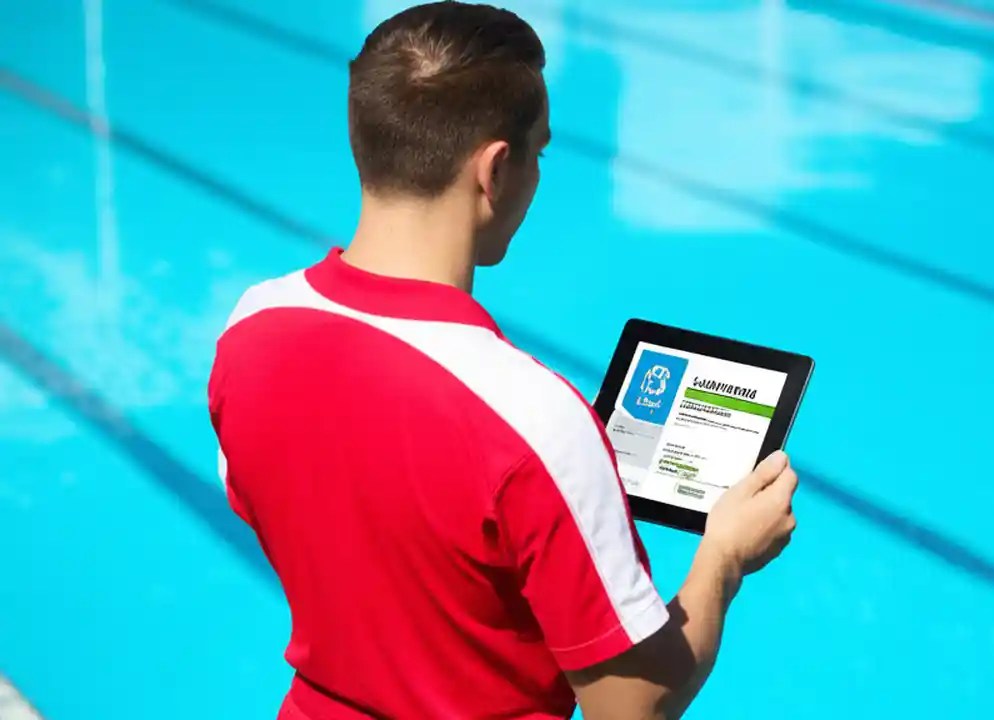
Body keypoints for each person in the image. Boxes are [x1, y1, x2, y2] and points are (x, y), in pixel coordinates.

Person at [207, 3, 798, 719]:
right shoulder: (533, 421)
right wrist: (724, 559)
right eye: (539, 152)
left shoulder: (252, 328)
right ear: (495, 169)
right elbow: (632, 704)